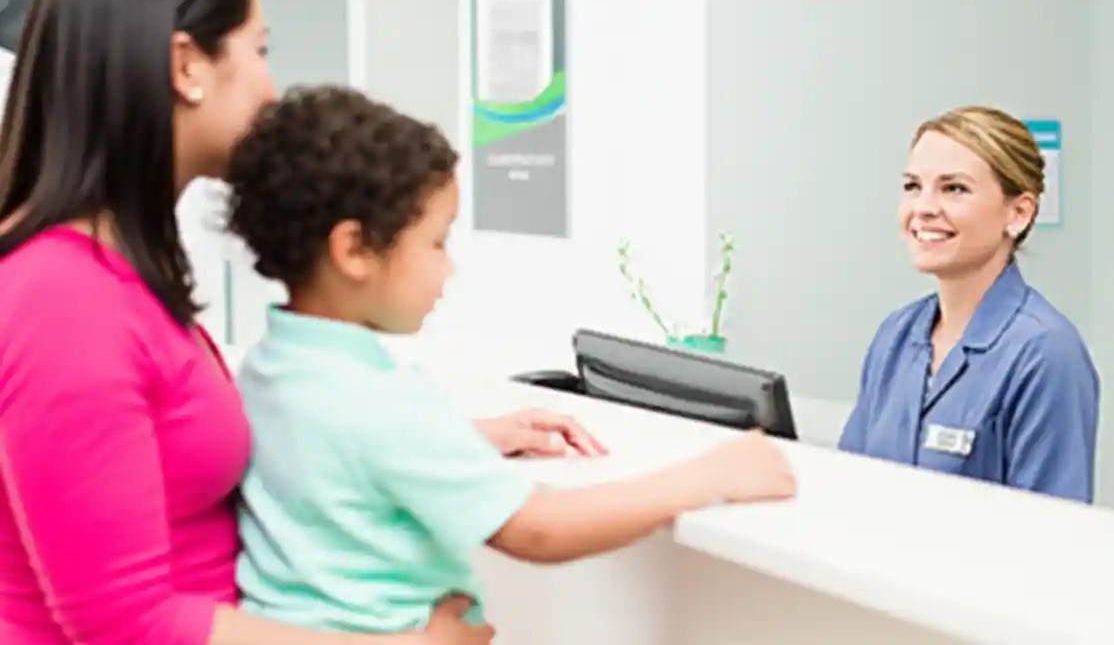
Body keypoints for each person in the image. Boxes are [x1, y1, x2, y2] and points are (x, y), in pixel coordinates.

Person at [0, 0, 566, 642]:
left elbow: (169, 452)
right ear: (187, 66)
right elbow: (125, 625)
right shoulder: (63, 300)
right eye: (258, 52)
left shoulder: (113, 273)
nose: (271, 87)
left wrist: (435, 441)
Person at [222, 85, 797, 633]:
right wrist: (709, 475)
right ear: (353, 250)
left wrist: (462, 436)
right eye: (437, 243)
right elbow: (537, 531)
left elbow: (341, 459)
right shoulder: (384, 404)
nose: (449, 268)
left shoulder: (270, 370)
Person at [837, 105, 1099, 503]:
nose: (923, 208)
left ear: (1019, 213)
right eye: (912, 186)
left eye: (953, 188)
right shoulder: (896, 335)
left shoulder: (1046, 353)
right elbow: (851, 484)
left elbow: (1053, 536)